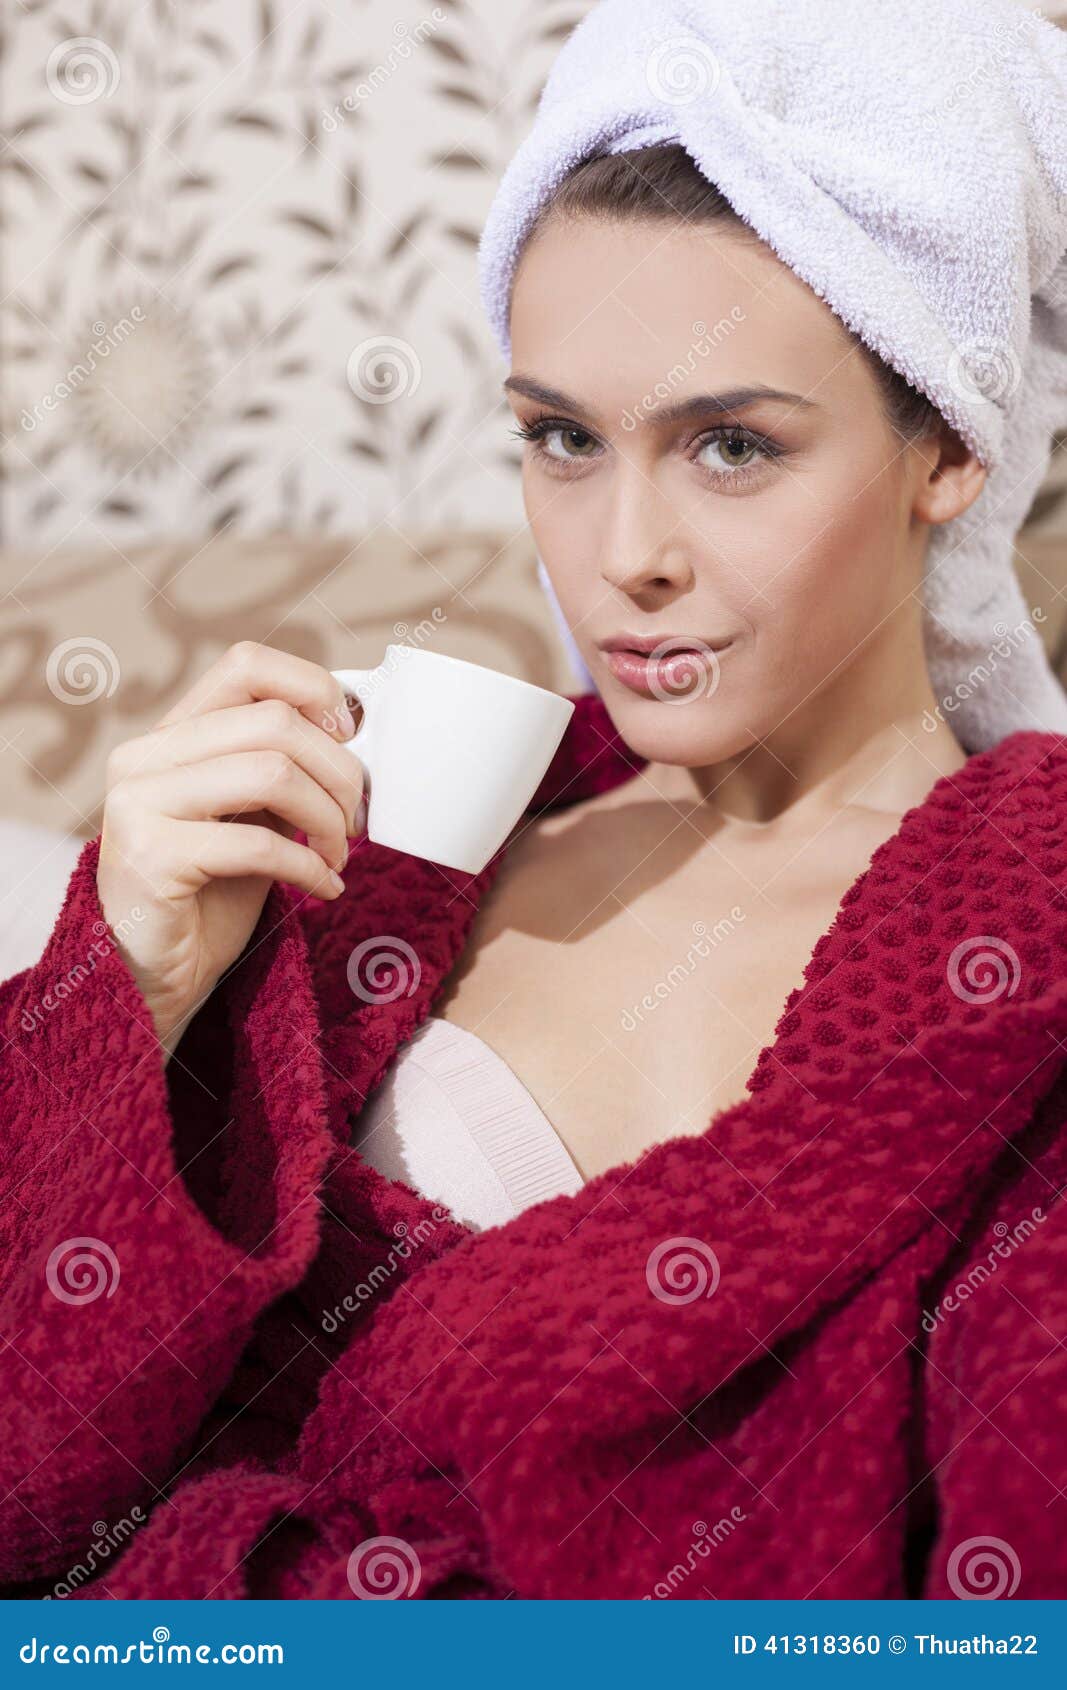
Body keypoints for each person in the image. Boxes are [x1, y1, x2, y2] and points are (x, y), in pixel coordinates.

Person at [2, 0, 1066, 1602]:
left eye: (730, 447)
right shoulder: (387, 845)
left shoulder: (1028, 952)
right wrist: (131, 998)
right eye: (562, 437)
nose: (623, 549)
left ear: (946, 449)